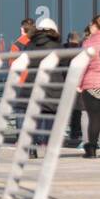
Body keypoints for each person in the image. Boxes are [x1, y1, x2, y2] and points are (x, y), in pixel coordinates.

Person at [23, 17, 64, 157]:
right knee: (51, 117)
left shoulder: (30, 45)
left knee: (33, 116)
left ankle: (31, 147)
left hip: (33, 83)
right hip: (53, 84)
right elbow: (64, 65)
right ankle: (49, 147)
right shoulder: (57, 46)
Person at [78, 16, 100, 158]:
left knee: (94, 119)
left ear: (94, 26)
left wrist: (79, 84)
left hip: (91, 86)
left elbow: (82, 66)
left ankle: (91, 149)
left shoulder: (88, 43)